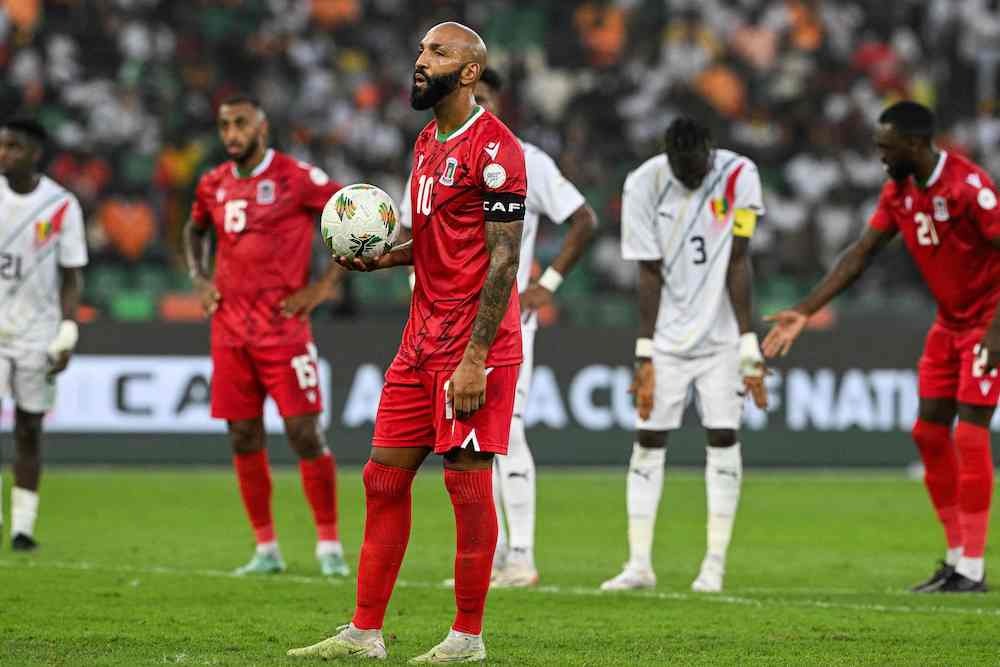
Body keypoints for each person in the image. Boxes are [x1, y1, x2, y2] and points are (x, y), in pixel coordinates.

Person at [288, 22, 526, 663]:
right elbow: (433, 240)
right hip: (419, 340)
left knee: (466, 484)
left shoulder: (497, 151)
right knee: (381, 478)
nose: (420, 61)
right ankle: (365, 632)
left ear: (470, 72)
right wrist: (382, 258)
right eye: (420, 49)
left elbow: (504, 261)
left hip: (474, 347)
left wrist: (476, 359)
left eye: (437, 53)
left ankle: (467, 638)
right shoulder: (425, 142)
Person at [764, 101, 1000, 593]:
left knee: (970, 432)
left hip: (987, 321)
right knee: (928, 433)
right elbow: (861, 254)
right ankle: (957, 559)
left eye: (886, 147)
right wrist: (805, 310)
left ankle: (974, 570)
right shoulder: (899, 192)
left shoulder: (968, 187)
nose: (880, 156)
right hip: (948, 323)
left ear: (914, 145)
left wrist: (995, 332)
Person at [397, 67, 598, 588]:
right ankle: (503, 553)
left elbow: (583, 219)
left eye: (482, 97)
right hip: (437, 326)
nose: (471, 104)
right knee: (466, 444)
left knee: (507, 432)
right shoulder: (432, 150)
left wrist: (547, 282)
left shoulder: (524, 158)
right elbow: (408, 229)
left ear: (495, 100)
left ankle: (522, 555)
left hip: (500, 323)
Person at [183, 95, 348, 578]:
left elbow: (351, 214)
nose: (231, 133)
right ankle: (266, 547)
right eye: (224, 125)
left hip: (283, 327)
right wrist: (199, 278)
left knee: (304, 433)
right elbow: (193, 232)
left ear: (262, 127)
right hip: (229, 329)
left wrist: (322, 287)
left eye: (240, 124)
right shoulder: (212, 183)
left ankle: (329, 545)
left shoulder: (296, 177)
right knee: (242, 434)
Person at [601, 116, 767, 594]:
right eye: (683, 170)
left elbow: (739, 258)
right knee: (648, 442)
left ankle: (713, 564)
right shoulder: (643, 184)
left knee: (723, 437)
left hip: (721, 341)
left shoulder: (740, 176)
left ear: (711, 152)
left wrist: (748, 341)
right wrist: (645, 353)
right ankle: (638, 564)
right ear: (668, 159)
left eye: (698, 168)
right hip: (668, 342)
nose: (692, 176)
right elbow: (648, 273)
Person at [0, 117, 86, 551]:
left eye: (13, 147)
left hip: (38, 332)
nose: (4, 154)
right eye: (1, 146)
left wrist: (67, 330)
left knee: (29, 428)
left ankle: (22, 528)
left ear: (35, 153)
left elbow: (72, 275)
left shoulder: (62, 206)